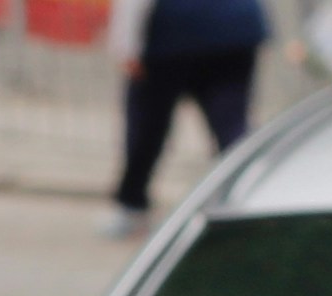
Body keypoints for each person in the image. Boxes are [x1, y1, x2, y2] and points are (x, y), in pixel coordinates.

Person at [107, 0, 270, 234]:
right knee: (232, 125)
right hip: (235, 23)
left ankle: (132, 204)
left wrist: (126, 44)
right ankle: (250, 200)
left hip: (174, 29)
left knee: (148, 123)